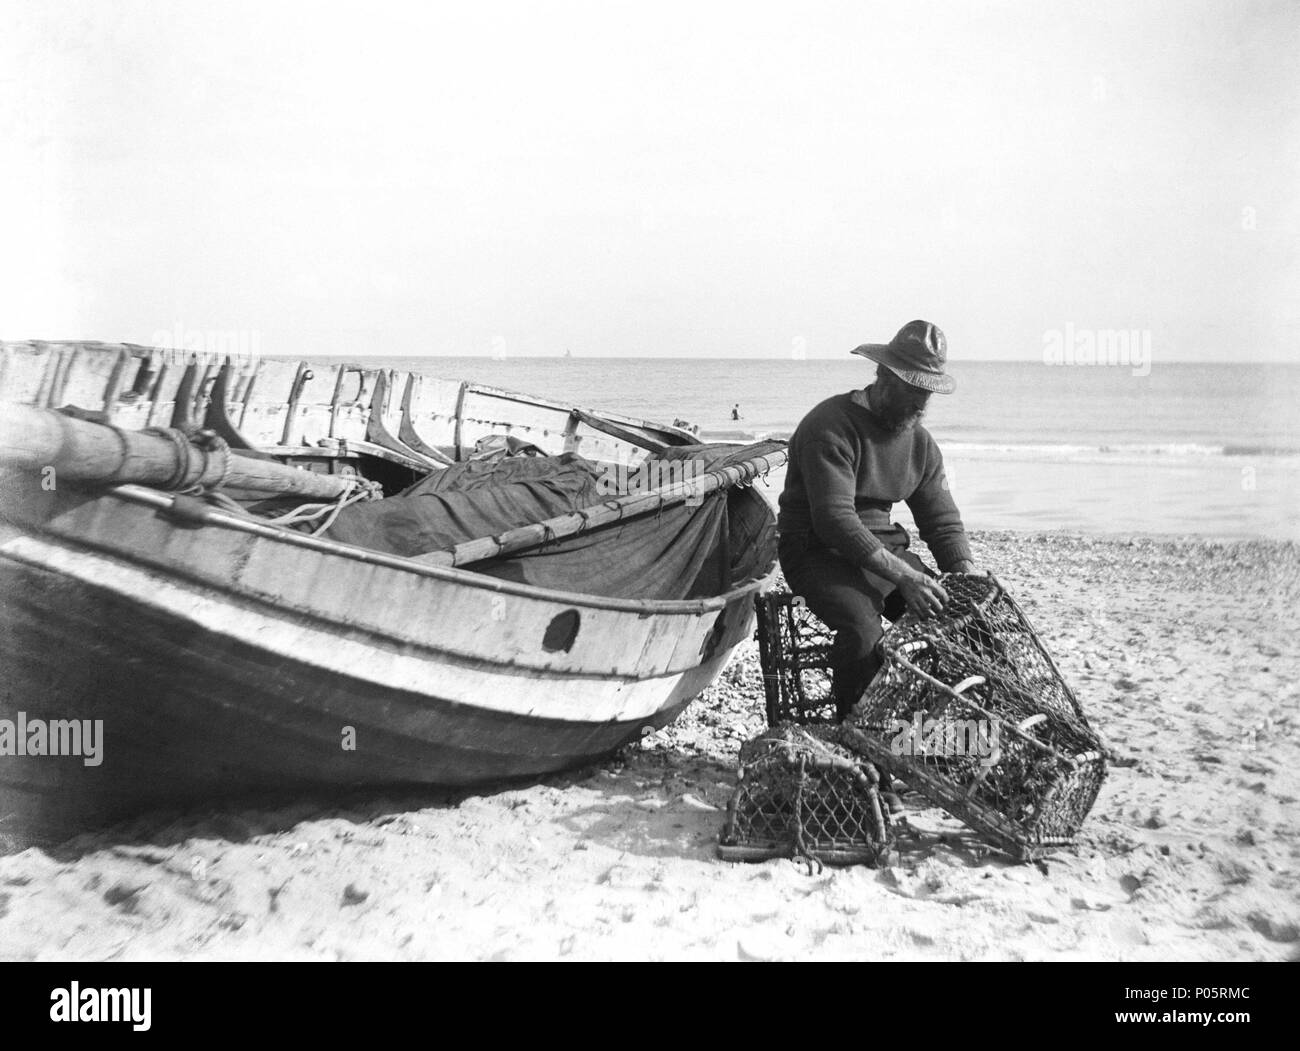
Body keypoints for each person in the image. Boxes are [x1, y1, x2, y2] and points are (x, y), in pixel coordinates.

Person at [777, 320, 978, 720]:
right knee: (863, 635)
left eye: (927, 393)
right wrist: (905, 577)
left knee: (965, 624)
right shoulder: (829, 426)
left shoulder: (920, 442)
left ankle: (936, 730)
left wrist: (965, 573)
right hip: (816, 551)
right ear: (883, 376)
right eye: (912, 390)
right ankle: (859, 736)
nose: (921, 404)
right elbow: (835, 520)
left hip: (884, 548)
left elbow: (941, 520)